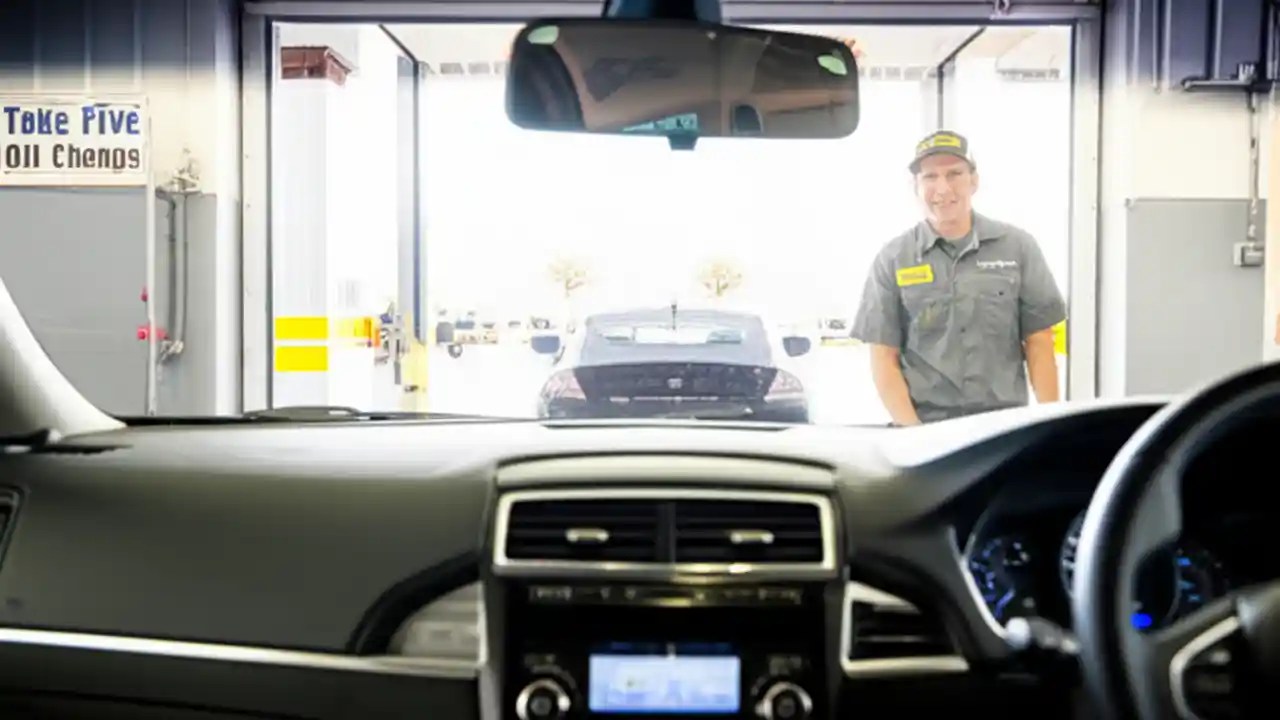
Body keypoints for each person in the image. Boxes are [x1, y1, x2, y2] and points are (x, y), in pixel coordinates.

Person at [851, 130, 1066, 425]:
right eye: (930, 177)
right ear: (915, 186)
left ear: (973, 181)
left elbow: (1039, 342)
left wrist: (1050, 425)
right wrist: (914, 434)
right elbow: (883, 358)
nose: (943, 188)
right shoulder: (893, 258)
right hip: (926, 426)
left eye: (954, 174)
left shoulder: (1018, 247)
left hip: (1003, 426)